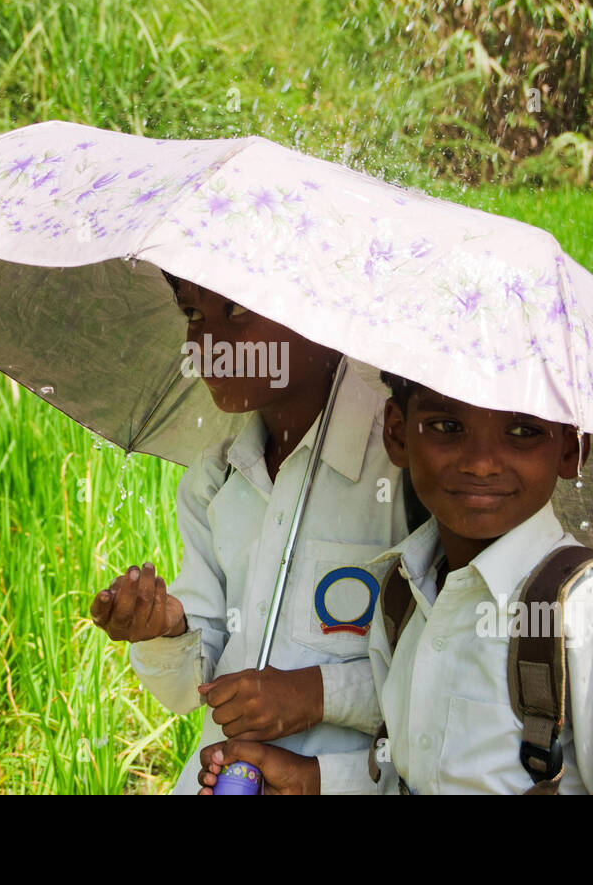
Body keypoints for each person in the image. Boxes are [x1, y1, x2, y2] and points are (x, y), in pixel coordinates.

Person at [196, 371, 593, 794]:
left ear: (571, 449)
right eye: (446, 425)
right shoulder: (405, 597)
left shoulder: (590, 616)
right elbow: (416, 776)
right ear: (396, 433)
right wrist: (311, 781)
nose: (481, 462)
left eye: (524, 431)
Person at [90, 271, 417, 794]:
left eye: (236, 311)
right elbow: (191, 688)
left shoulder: (410, 474)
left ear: (323, 309)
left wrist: (317, 695)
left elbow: (447, 679)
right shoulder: (214, 480)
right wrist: (165, 632)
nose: (206, 346)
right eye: (193, 313)